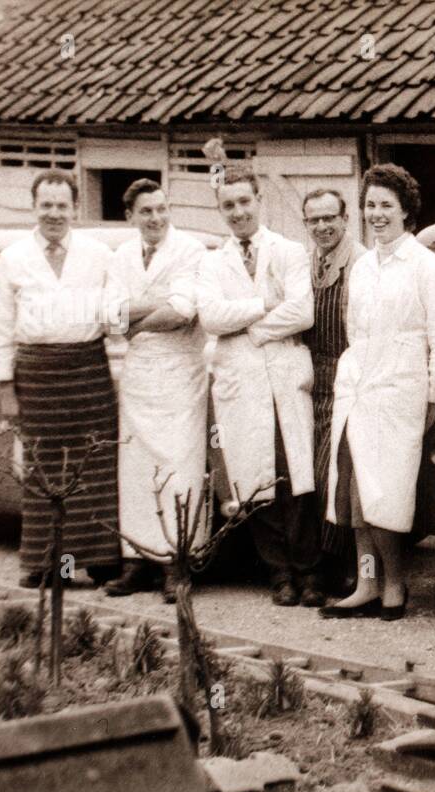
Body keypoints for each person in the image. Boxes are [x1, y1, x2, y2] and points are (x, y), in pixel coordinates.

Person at [320, 164, 435, 621]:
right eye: (370, 205)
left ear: (405, 211)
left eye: (386, 206)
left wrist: (431, 395)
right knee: (355, 494)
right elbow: (355, 330)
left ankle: (396, 585)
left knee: (386, 496)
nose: (377, 214)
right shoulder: (361, 267)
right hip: (360, 390)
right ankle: (366, 583)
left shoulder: (426, 267)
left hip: (400, 392)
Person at [0, 170, 120, 588]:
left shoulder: (99, 254)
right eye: (46, 205)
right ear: (34, 207)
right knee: (43, 469)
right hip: (38, 376)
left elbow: (117, 315)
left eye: (62, 205)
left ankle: (101, 560)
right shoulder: (12, 257)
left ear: (75, 208)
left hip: (88, 370)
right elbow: (0, 327)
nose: (54, 214)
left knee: (95, 465)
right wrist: (7, 389)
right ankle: (50, 565)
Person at [195, 166, 319, 607]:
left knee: (294, 478)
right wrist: (264, 304)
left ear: (258, 199)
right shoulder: (211, 261)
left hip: (284, 375)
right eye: (228, 205)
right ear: (220, 209)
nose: (238, 211)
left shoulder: (288, 251)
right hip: (241, 382)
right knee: (255, 482)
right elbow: (210, 317)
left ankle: (308, 572)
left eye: (244, 201)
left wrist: (251, 328)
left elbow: (303, 311)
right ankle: (279, 574)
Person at [102, 178, 208, 603]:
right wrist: (150, 306)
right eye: (146, 211)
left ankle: (176, 564)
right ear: (130, 217)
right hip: (139, 374)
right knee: (136, 468)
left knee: (178, 467)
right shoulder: (122, 255)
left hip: (180, 373)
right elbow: (108, 312)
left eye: (162, 209)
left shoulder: (190, 250)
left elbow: (183, 310)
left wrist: (133, 320)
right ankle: (136, 561)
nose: (156, 218)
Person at [301, 187, 366, 596]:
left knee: (335, 471)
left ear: (345, 219)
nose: (323, 226)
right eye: (314, 220)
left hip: (347, 373)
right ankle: (312, 564)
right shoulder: (306, 262)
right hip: (310, 375)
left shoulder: (359, 263)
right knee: (305, 468)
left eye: (330, 218)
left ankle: (339, 567)